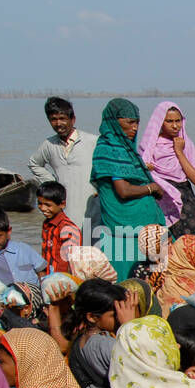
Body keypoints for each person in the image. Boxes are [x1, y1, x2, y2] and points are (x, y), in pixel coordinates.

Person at [89, 98, 166, 280]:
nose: (135, 128)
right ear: (114, 122)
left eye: (137, 122)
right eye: (130, 122)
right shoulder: (108, 149)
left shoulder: (126, 149)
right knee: (126, 282)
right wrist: (151, 188)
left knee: (153, 280)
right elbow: (123, 190)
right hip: (123, 230)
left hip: (144, 229)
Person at [27, 97, 100, 233]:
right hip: (65, 211)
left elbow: (107, 166)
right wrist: (53, 185)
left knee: (91, 248)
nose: (58, 123)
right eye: (53, 119)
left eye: (62, 118)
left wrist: (100, 186)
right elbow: (34, 163)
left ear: (73, 119)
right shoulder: (49, 145)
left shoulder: (93, 141)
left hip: (92, 206)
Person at [137, 101, 195, 240]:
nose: (175, 126)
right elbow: (139, 174)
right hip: (161, 200)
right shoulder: (149, 147)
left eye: (178, 121)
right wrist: (146, 169)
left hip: (186, 200)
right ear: (159, 122)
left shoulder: (185, 144)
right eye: (169, 121)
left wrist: (179, 151)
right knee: (168, 246)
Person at [65, 278, 134, 388]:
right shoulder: (102, 344)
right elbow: (138, 365)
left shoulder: (83, 339)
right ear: (92, 317)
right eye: (115, 314)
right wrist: (129, 326)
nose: (120, 317)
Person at [35, 181, 80, 274]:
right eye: (40, 203)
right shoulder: (47, 224)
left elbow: (72, 261)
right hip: (49, 275)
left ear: (62, 204)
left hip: (62, 279)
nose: (43, 208)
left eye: (48, 205)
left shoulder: (68, 228)